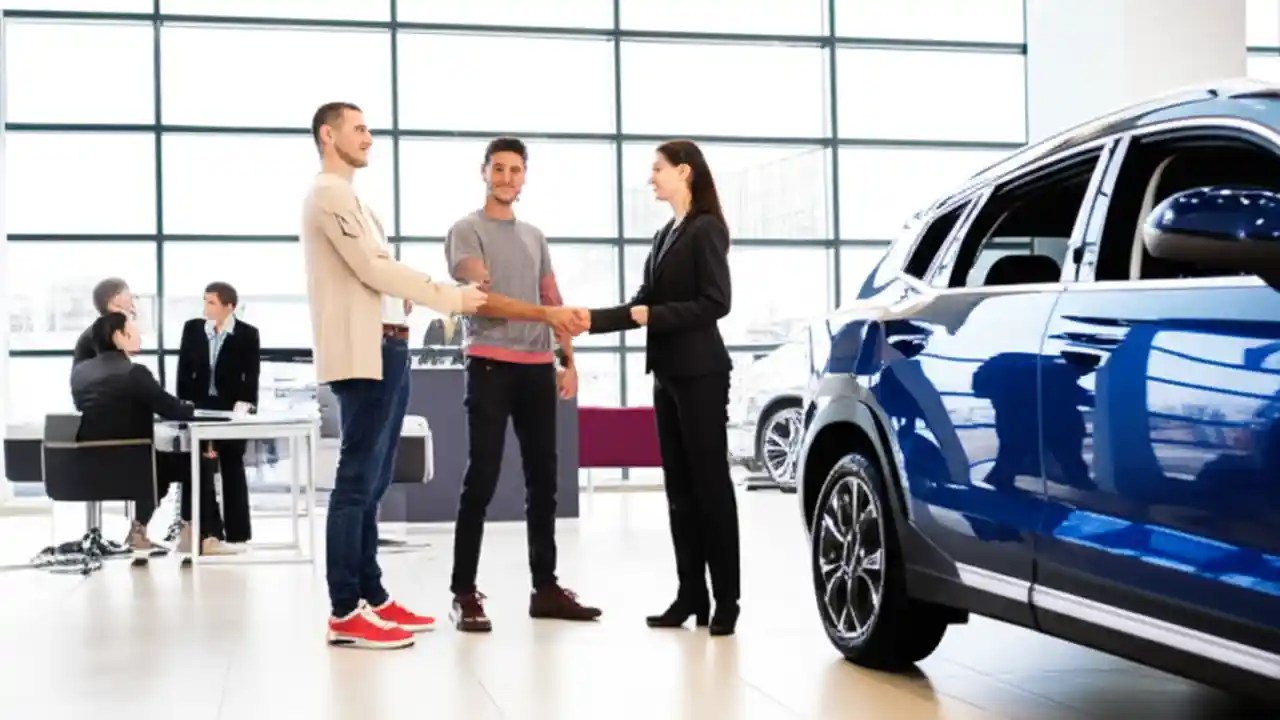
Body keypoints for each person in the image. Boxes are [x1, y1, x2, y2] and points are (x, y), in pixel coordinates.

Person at [301, 101, 487, 650]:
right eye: (358, 129)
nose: (368, 137)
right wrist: (448, 297)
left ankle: (372, 598)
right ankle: (344, 611)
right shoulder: (328, 194)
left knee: (375, 480)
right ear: (328, 135)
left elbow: (371, 276)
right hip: (366, 353)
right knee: (356, 481)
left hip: (388, 346)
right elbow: (372, 267)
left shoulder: (352, 198)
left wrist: (396, 302)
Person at [579, 140, 741, 635]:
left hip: (702, 374)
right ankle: (690, 595)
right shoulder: (665, 235)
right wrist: (588, 321)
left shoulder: (707, 228)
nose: (651, 177)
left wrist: (658, 316)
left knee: (710, 487)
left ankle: (726, 601)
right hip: (668, 376)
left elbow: (717, 301)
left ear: (684, 172)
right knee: (678, 492)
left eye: (658, 169)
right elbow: (640, 304)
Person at [444, 136, 599, 633]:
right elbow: (482, 299)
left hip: (536, 368)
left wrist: (567, 360)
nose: (507, 177)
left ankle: (545, 588)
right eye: (499, 169)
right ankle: (463, 591)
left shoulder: (535, 236)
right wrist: (544, 315)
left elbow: (553, 299)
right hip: (490, 365)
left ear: (524, 176)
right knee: (483, 477)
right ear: (484, 172)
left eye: (515, 170)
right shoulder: (466, 231)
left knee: (543, 480)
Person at [69, 312, 234, 560]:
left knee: (157, 464)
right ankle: (196, 536)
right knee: (200, 459)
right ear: (118, 336)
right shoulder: (134, 373)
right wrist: (190, 406)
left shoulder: (80, 374)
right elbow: (173, 409)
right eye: (133, 331)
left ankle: (139, 531)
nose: (140, 336)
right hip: (134, 466)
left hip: (92, 466)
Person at [175, 281, 259, 544]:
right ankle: (205, 530)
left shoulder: (247, 334)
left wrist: (247, 405)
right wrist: (182, 405)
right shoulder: (193, 329)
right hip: (199, 408)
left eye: (211, 302)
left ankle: (238, 533)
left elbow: (252, 375)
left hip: (231, 410)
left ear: (229, 306)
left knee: (233, 465)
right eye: (205, 300)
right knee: (199, 467)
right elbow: (183, 370)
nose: (205, 306)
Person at [73, 277, 135, 366]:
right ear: (113, 300)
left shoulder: (104, 327)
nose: (131, 300)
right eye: (127, 295)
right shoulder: (106, 332)